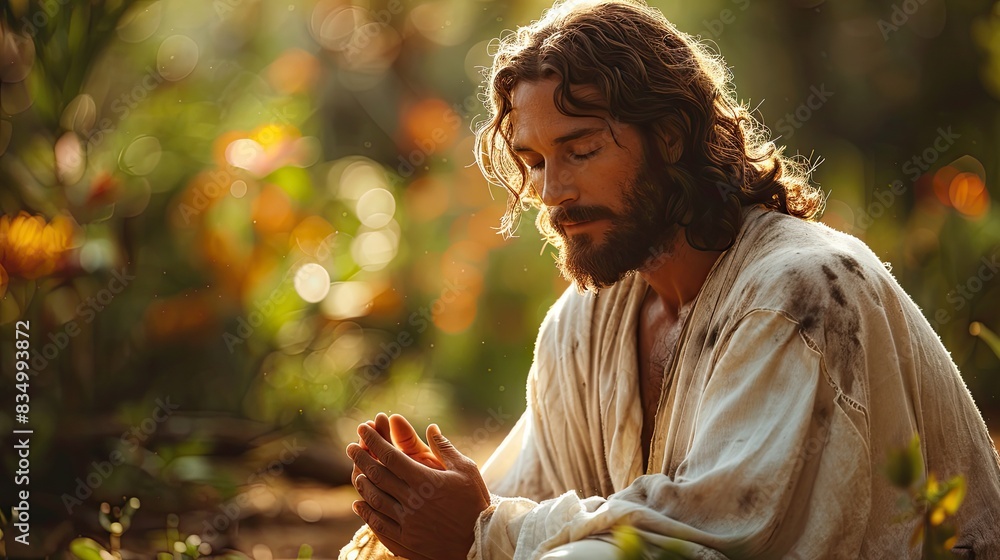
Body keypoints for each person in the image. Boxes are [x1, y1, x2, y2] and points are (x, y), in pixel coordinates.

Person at [340, 0, 1000, 558]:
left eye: (581, 149)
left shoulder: (801, 292)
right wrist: (418, 516)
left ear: (671, 136)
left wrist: (485, 532)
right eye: (534, 160)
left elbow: (721, 535)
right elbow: (522, 502)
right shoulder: (584, 324)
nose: (551, 191)